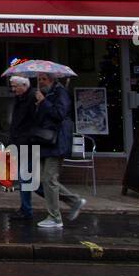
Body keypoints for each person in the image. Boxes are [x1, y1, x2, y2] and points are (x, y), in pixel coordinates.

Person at [32, 72, 86, 229]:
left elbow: (59, 114)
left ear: (52, 80)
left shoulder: (60, 92)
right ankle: (74, 201)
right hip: (47, 142)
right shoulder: (47, 94)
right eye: (39, 79)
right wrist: (40, 105)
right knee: (44, 180)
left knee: (49, 179)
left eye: (44, 79)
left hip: (57, 142)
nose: (41, 82)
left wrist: (44, 102)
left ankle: (55, 217)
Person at [6, 75, 37, 221]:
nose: (13, 89)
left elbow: (33, 121)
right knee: (26, 178)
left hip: (27, 143)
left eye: (14, 86)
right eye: (12, 86)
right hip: (20, 142)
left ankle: (26, 210)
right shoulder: (20, 99)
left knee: (26, 178)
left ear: (24, 85)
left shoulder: (32, 98)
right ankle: (25, 208)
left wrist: (25, 138)